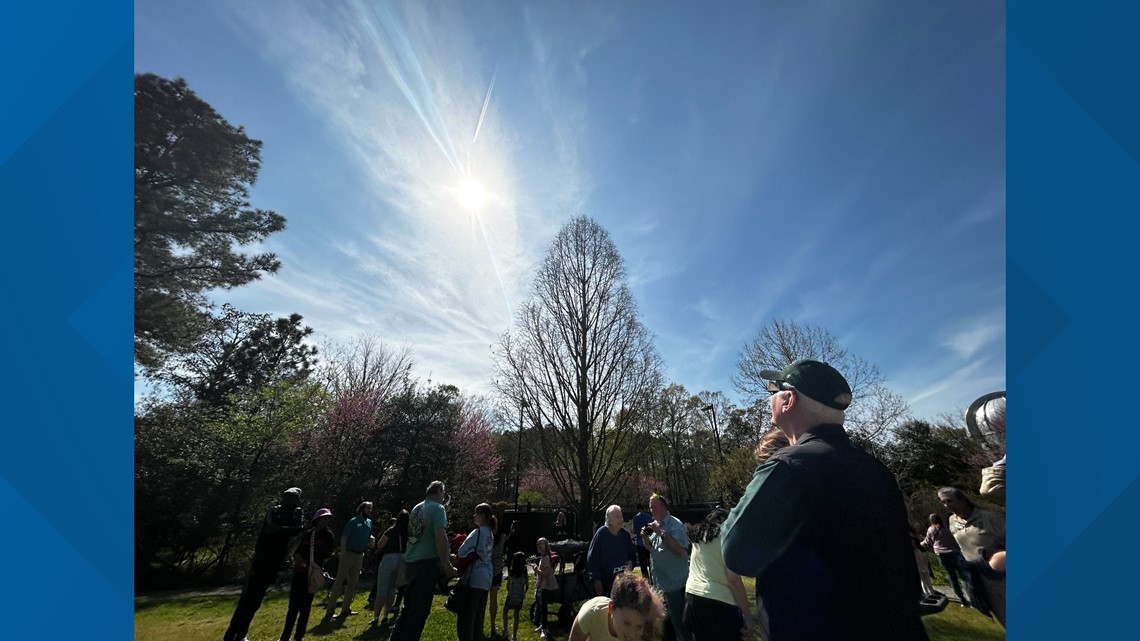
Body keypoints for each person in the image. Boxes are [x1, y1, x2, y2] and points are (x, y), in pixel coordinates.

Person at [722, 359, 928, 641]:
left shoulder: (789, 466)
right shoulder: (875, 469)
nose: (769, 396)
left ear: (788, 400)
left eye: (773, 388)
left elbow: (736, 553)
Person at [223, 487, 305, 641]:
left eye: (294, 498)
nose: (291, 501)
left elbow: (298, 529)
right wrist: (287, 529)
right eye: (289, 497)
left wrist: (282, 529)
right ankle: (231, 634)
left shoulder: (296, 512)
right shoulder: (274, 511)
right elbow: (270, 528)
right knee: (248, 599)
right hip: (261, 559)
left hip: (275, 561)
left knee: (256, 601)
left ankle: (241, 634)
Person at [388, 481, 458, 641]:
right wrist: (446, 563)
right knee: (419, 611)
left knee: (408, 608)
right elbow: (441, 536)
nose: (443, 498)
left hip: (411, 561)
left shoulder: (417, 507)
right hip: (426, 564)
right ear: (439, 491)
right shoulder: (438, 508)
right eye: (443, 493)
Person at [938, 487, 1005, 627]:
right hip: (979, 579)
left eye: (949, 501)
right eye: (943, 502)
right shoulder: (952, 521)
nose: (946, 505)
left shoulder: (989, 517)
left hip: (1000, 574)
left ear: (963, 500)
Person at [683, 508, 753, 641]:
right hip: (719, 603)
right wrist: (747, 616)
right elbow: (733, 579)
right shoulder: (727, 536)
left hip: (694, 598)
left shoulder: (699, 537)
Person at [279, 508, 336, 641]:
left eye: (328, 518)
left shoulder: (328, 535)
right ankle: (285, 636)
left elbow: (327, 554)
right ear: (317, 520)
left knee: (305, 607)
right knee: (293, 607)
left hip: (312, 574)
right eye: (324, 518)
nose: (326, 520)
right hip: (299, 572)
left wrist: (312, 561)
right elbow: (298, 550)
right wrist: (298, 558)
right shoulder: (308, 534)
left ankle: (298, 636)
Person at [643, 493, 692, 641]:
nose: (651, 510)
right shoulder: (655, 525)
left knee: (682, 629)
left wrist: (662, 534)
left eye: (654, 507)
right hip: (661, 588)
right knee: (666, 630)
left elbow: (683, 551)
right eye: (650, 508)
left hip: (676, 587)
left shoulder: (674, 525)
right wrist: (645, 539)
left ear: (664, 507)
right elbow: (651, 549)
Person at [568, 573, 666, 641]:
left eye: (639, 626)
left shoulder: (646, 632)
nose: (632, 634)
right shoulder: (591, 613)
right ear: (611, 607)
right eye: (626, 623)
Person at [325, 501, 374, 620]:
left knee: (352, 583)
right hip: (348, 554)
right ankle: (330, 610)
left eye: (371, 509)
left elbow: (369, 536)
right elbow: (344, 537)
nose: (369, 511)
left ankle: (346, 609)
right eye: (367, 508)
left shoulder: (369, 523)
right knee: (340, 581)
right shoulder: (353, 522)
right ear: (361, 509)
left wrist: (372, 539)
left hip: (359, 555)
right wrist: (343, 553)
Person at [456, 503, 495, 641]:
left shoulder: (477, 532)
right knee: (479, 616)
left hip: (475, 577)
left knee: (467, 618)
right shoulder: (490, 533)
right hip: (487, 577)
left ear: (482, 515)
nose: (474, 516)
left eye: (476, 513)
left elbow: (461, 551)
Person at [920, 513, 970, 607]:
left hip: (942, 555)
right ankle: (971, 595)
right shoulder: (947, 529)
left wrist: (920, 544)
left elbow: (928, 541)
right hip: (955, 554)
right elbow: (955, 542)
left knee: (952, 577)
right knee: (963, 576)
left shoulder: (931, 529)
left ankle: (961, 598)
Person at [371, 510, 409, 626]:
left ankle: (376, 617)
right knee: (392, 589)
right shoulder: (408, 532)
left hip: (389, 558)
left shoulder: (391, 530)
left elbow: (380, 545)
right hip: (402, 559)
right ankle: (385, 616)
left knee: (382, 588)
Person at [587, 505, 636, 598]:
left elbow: (632, 555)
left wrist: (631, 564)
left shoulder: (625, 535)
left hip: (623, 583)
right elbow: (592, 558)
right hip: (606, 583)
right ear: (609, 519)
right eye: (617, 517)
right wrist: (596, 579)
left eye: (621, 516)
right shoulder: (601, 534)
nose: (621, 519)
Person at [533, 537, 559, 638]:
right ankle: (543, 625)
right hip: (543, 585)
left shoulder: (546, 558)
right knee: (541, 606)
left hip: (547, 585)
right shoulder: (543, 557)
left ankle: (545, 629)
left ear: (546, 546)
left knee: (544, 607)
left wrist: (536, 570)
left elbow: (547, 573)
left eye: (541, 544)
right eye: (538, 545)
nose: (539, 546)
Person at [488, 513, 508, 639]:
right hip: (496, 568)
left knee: (483, 598)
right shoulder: (502, 537)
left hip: (485, 568)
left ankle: (487, 625)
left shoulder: (486, 537)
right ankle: (492, 625)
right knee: (493, 598)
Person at [502, 552, 529, 641]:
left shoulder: (512, 571)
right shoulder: (524, 572)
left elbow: (507, 585)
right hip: (519, 596)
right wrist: (523, 594)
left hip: (511, 595)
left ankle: (505, 630)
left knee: (505, 612)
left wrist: (509, 592)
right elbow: (527, 585)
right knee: (516, 615)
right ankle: (514, 636)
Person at [630, 505, 652, 582]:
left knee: (643, 564)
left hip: (639, 543)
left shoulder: (635, 518)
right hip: (648, 542)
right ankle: (653, 578)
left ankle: (646, 580)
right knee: (651, 562)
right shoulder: (648, 517)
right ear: (643, 508)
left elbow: (634, 530)